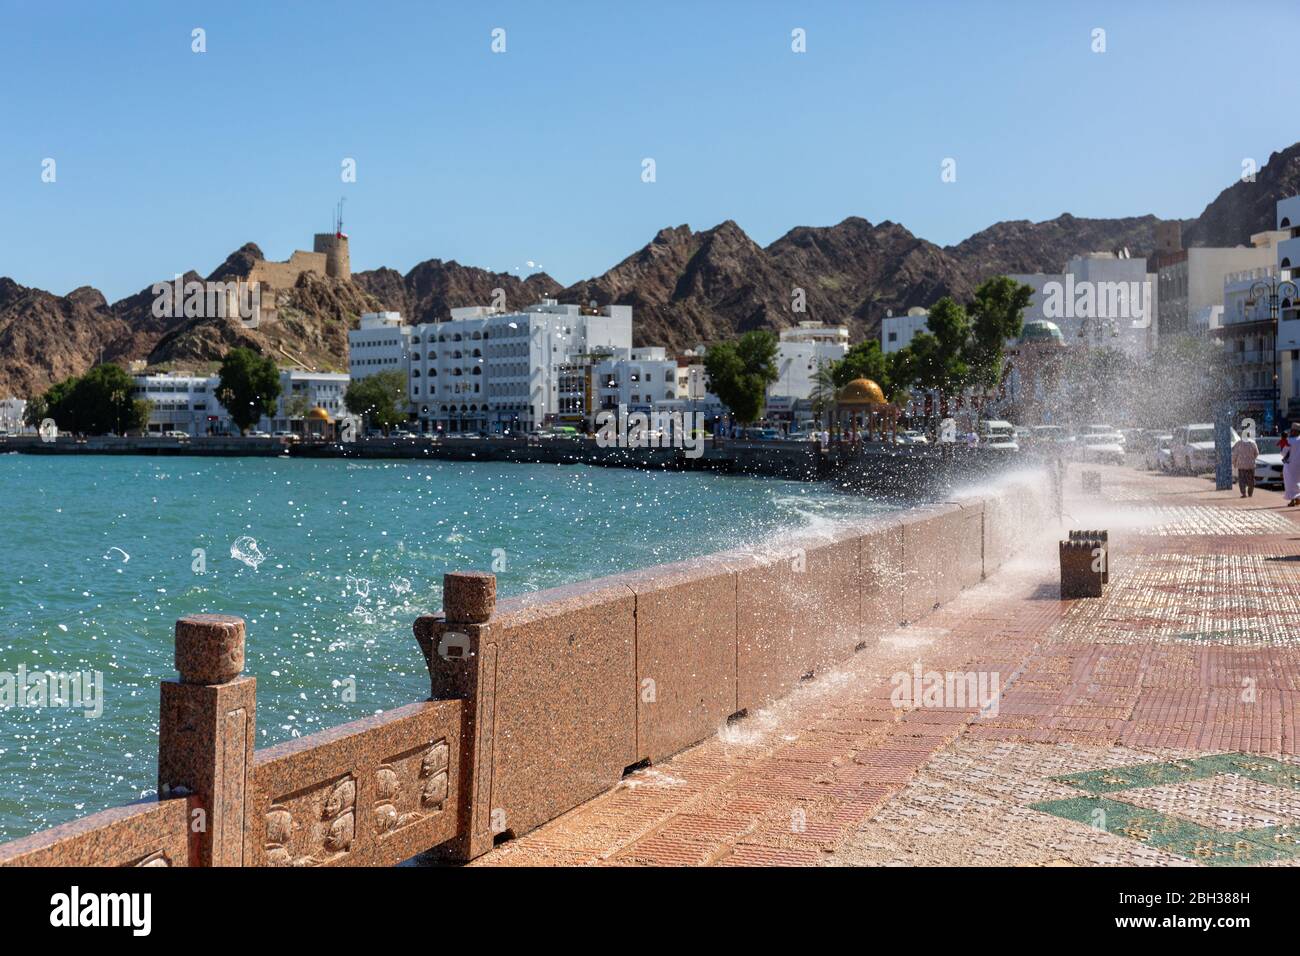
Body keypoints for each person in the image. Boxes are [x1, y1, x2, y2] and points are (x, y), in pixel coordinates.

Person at [1231, 432, 1259, 498]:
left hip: (1241, 465)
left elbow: (1235, 454)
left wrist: (1234, 462)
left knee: (1242, 480)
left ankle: (1243, 493)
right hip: (1250, 465)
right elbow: (1257, 453)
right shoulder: (1252, 443)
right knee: (1251, 480)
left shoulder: (1239, 443)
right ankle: (1250, 493)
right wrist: (1252, 459)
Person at [1283, 423, 1300, 507]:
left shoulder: (1289, 440)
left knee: (1290, 483)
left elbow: (1283, 453)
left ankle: (1293, 500)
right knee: (1298, 483)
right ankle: (1297, 499)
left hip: (1290, 465)